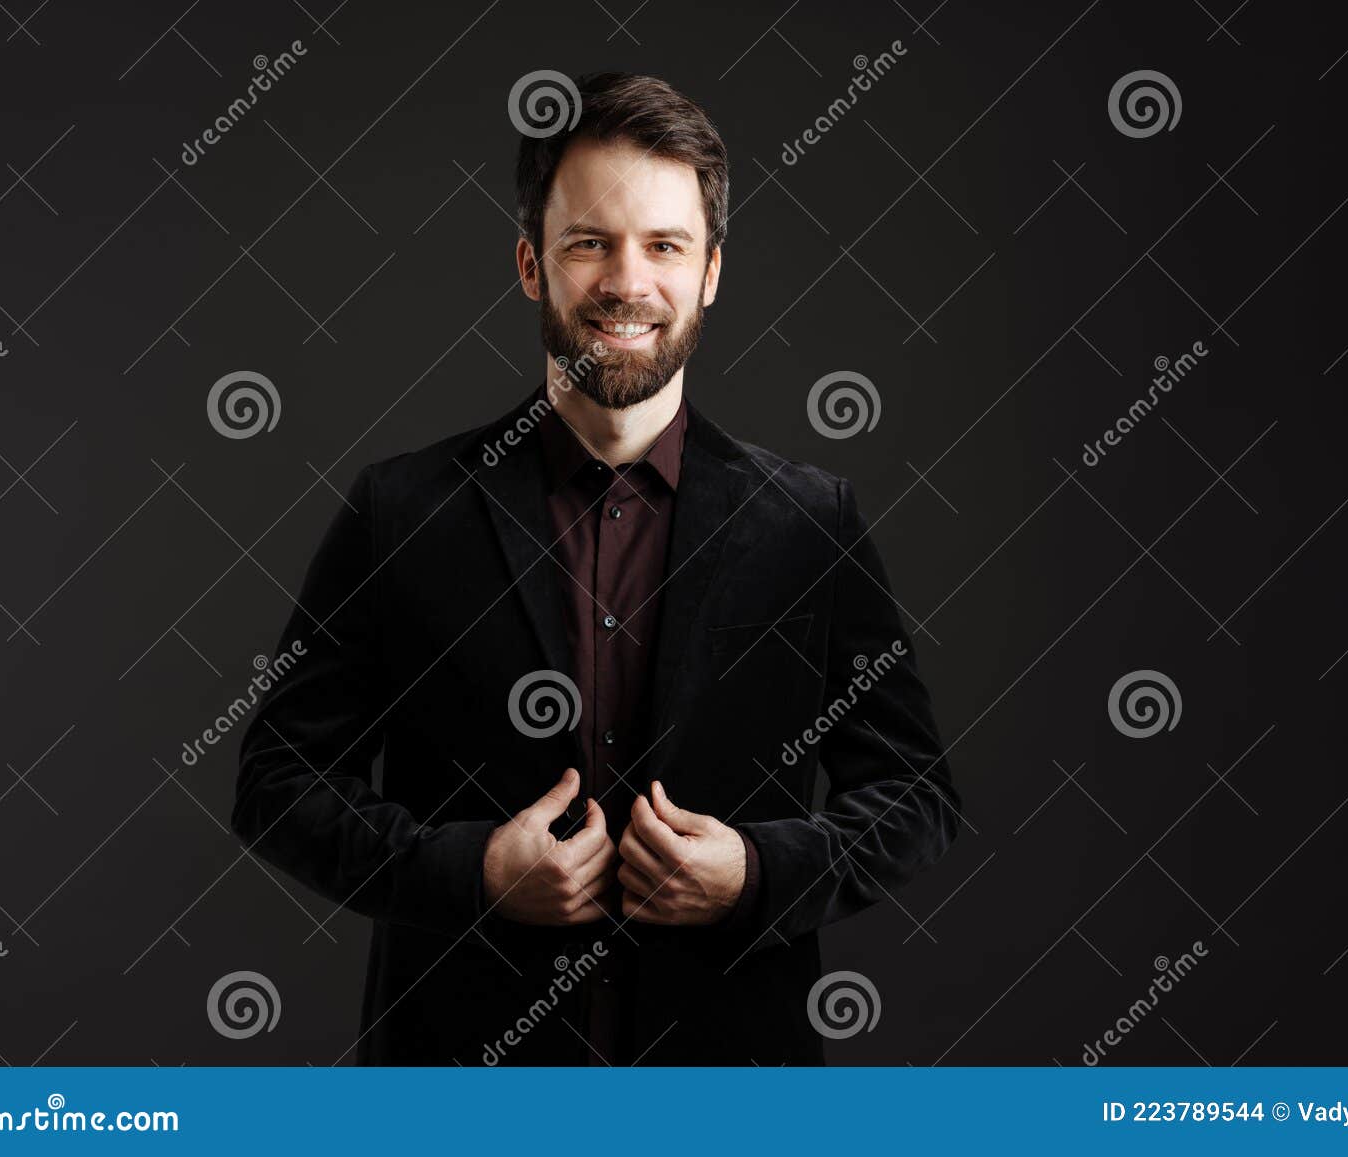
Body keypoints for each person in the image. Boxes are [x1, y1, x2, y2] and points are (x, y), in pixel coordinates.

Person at [233, 72, 961, 1065]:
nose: (627, 281)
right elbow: (276, 780)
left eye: (664, 245)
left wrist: (754, 869)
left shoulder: (808, 524)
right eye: (590, 243)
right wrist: (473, 870)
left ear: (709, 273)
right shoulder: (399, 511)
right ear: (532, 263)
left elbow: (918, 791)